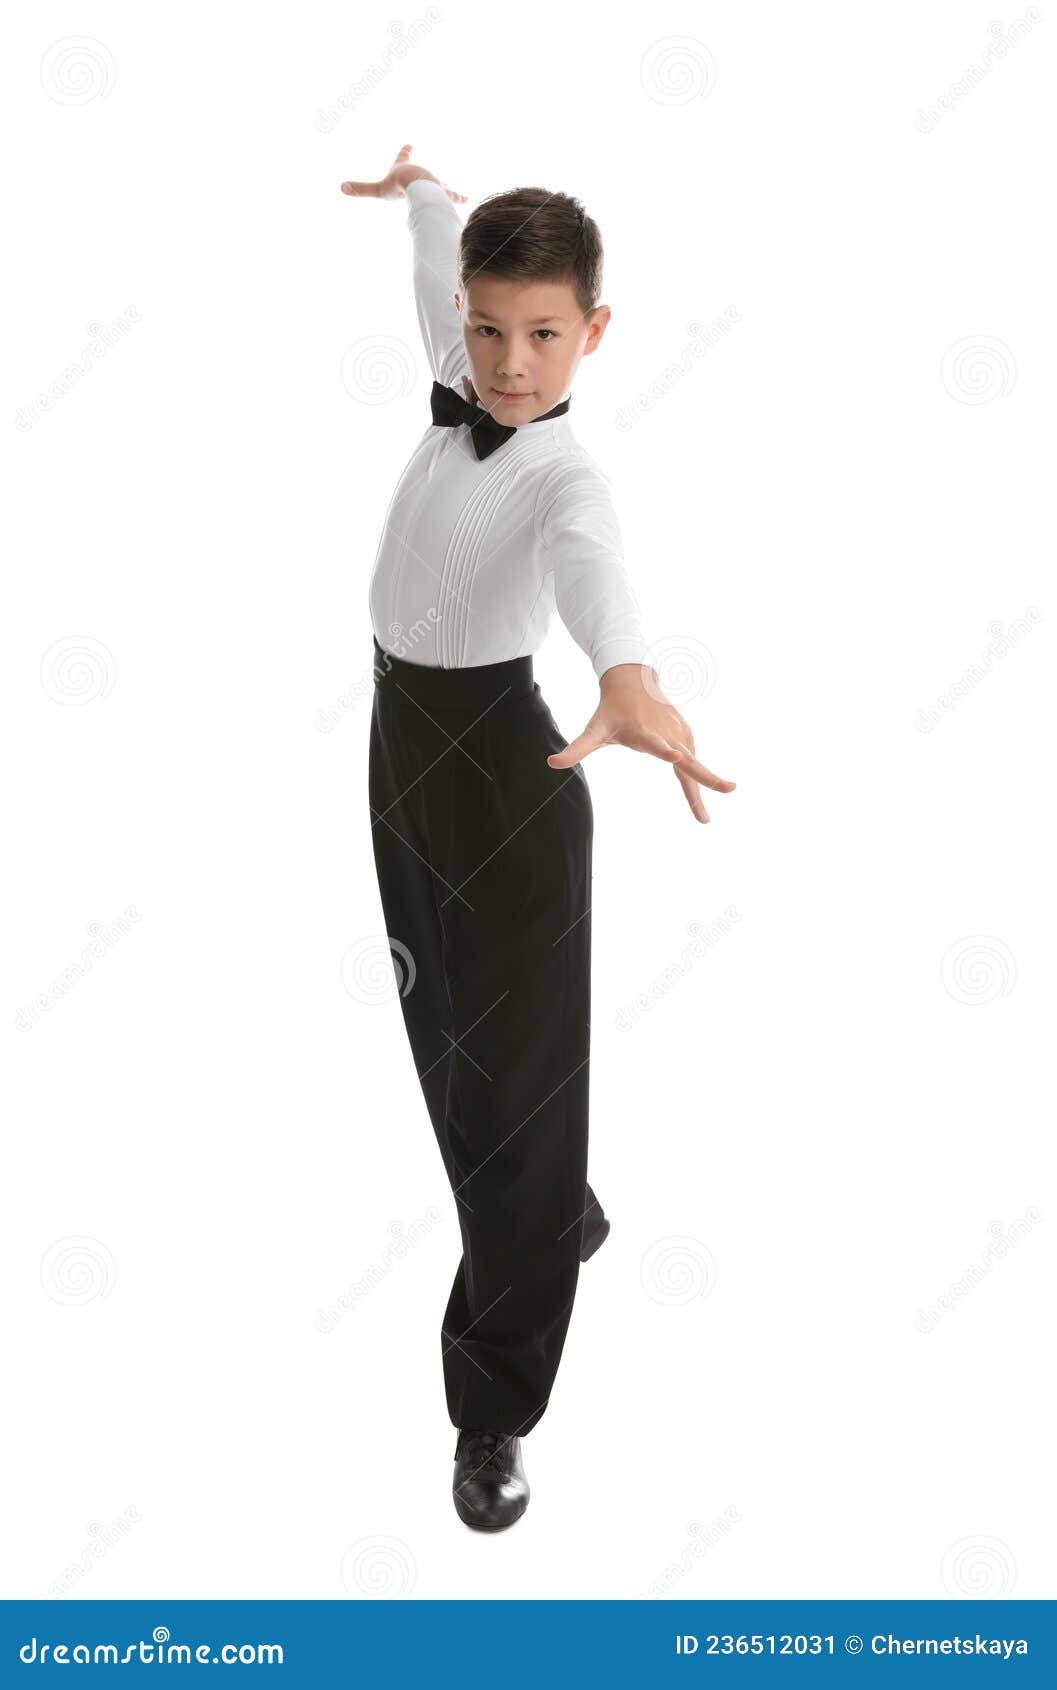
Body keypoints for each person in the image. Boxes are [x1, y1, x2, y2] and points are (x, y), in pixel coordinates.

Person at [341, 145, 736, 1530]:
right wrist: (421, 190)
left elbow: (596, 574)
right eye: (491, 329)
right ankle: (555, 1213)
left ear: (595, 332)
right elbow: (429, 259)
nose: (512, 365)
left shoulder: (566, 478)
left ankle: (493, 1404)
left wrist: (629, 675)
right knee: (444, 1038)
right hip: (402, 748)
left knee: (509, 1097)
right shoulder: (456, 361)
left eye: (545, 336)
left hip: (511, 778)